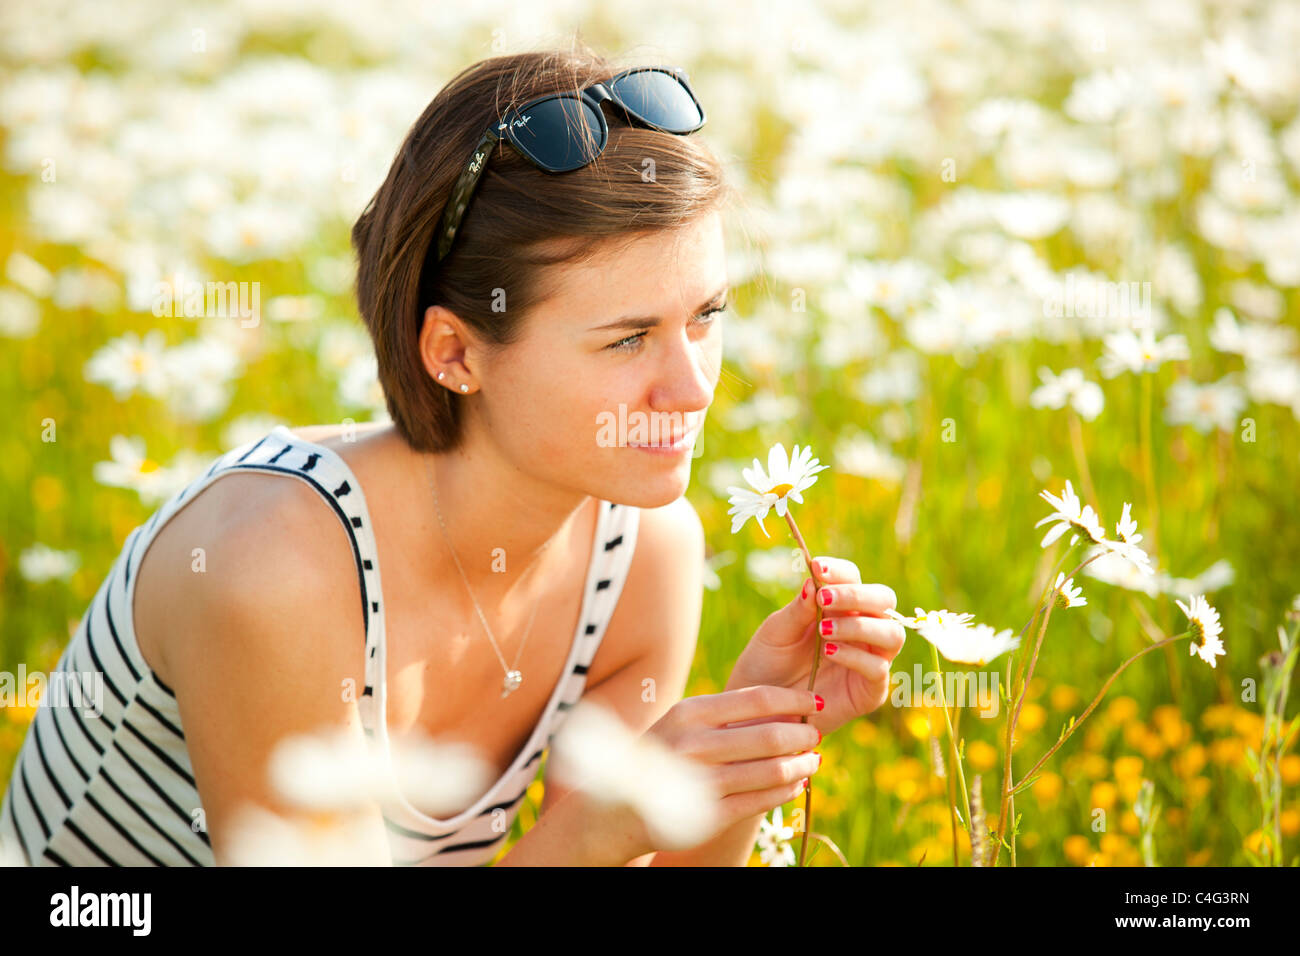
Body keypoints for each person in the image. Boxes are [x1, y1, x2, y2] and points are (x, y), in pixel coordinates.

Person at [0, 43, 904, 867]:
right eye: (628, 340)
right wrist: (587, 835)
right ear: (455, 353)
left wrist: (753, 736)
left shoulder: (642, 553)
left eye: (706, 316)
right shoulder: (273, 568)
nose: (695, 388)